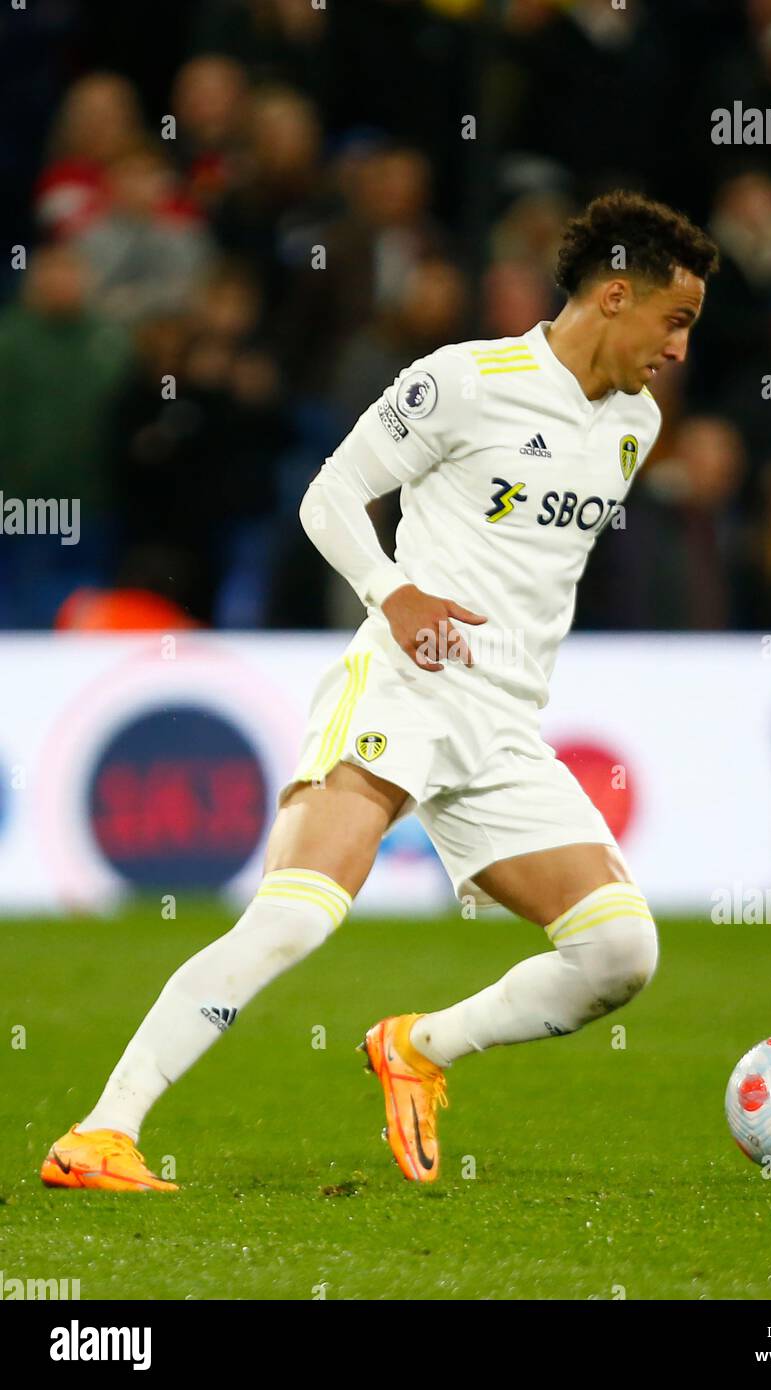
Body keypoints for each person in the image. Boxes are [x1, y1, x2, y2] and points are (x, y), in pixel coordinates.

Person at [41, 190, 718, 1191]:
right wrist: (394, 594)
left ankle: (420, 1047)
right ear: (614, 296)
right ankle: (103, 1129)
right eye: (676, 320)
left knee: (619, 950)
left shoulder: (631, 428)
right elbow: (328, 497)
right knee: (295, 915)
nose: (678, 348)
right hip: (404, 685)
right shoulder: (463, 381)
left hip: (502, 725)